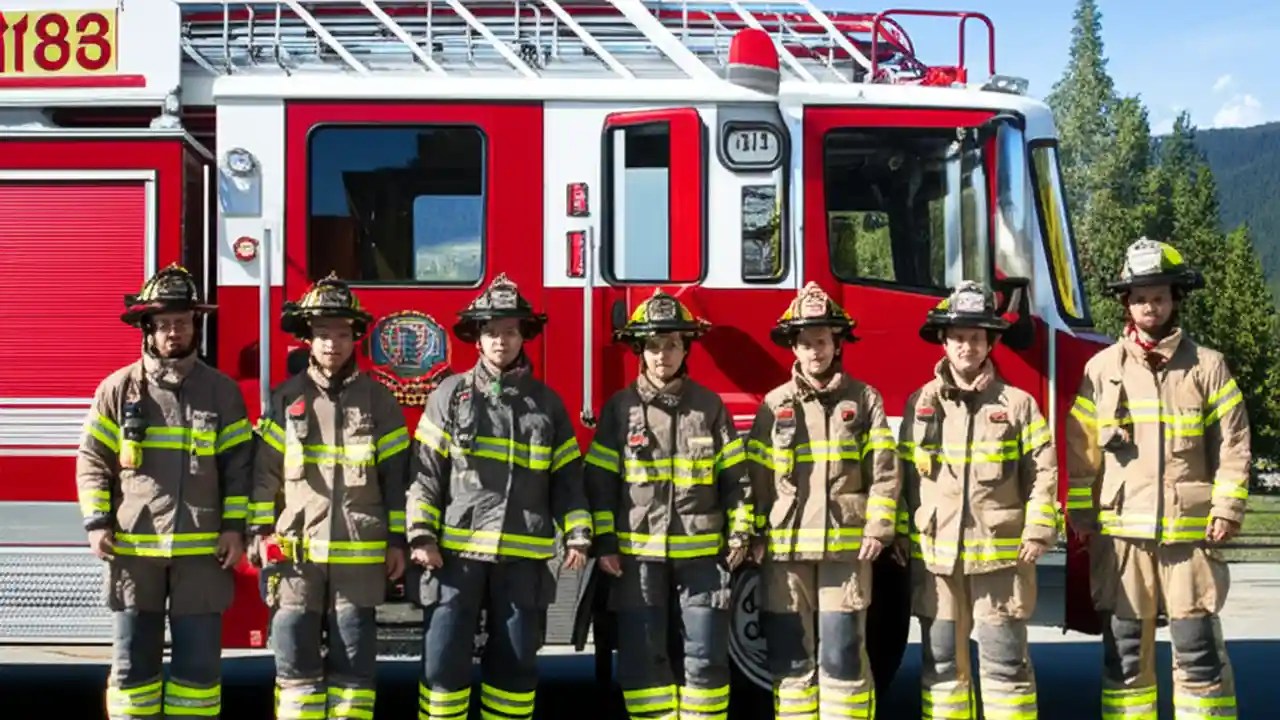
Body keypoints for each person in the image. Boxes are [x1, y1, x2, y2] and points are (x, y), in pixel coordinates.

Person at [1065, 238, 1250, 720]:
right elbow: (1082, 451)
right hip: (1123, 537)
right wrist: (1082, 513)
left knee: (1198, 653)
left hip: (1190, 539)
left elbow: (1234, 444)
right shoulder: (1101, 370)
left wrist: (1227, 508)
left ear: (1175, 299)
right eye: (1141, 297)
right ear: (1127, 302)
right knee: (1124, 655)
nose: (1151, 305)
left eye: (1160, 296)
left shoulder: (1208, 367)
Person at [408, 273, 592, 720]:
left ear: (523, 337)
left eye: (510, 331)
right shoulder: (449, 396)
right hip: (456, 555)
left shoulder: (546, 404)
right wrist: (421, 535)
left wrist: (579, 532)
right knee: (443, 663)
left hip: (522, 558)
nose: (501, 341)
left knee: (515, 667)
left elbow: (567, 477)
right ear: (477, 338)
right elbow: (426, 473)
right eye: (491, 331)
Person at [76, 263, 252, 719]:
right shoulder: (117, 390)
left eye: (184, 321)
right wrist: (97, 524)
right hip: (134, 550)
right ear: (147, 329)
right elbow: (93, 461)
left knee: (197, 672)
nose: (175, 332)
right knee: (133, 668)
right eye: (165, 324)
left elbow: (239, 468)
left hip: (202, 554)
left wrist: (235, 529)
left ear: (196, 325)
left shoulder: (222, 393)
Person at [585, 289, 753, 720]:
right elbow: (600, 483)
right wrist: (604, 542)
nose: (663, 355)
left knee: (706, 660)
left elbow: (736, 479)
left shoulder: (710, 407)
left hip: (702, 559)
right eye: (654, 346)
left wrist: (740, 531)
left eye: (673, 344)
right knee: (643, 663)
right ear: (640, 351)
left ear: (686, 349)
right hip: (638, 558)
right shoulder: (619, 410)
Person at [248, 274, 410, 720]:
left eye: (341, 335)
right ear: (308, 340)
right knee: (294, 657)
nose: (332, 345)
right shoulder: (286, 400)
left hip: (360, 554)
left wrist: (397, 540)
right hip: (295, 557)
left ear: (355, 338)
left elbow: (398, 479)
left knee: (355, 663)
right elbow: (265, 476)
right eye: (322, 336)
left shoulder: (380, 401)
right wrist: (259, 534)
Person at [897, 281, 1058, 720]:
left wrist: (1040, 529)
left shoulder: (1019, 405)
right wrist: (899, 532)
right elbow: (902, 476)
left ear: (990, 342)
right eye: (959, 337)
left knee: (1005, 665)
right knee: (943, 666)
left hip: (1000, 559)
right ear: (944, 341)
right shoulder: (921, 404)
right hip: (938, 561)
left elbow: (1044, 470)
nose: (967, 346)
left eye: (976, 337)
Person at [745, 281, 899, 720]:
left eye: (823, 341)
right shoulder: (774, 405)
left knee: (844, 658)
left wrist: (878, 529)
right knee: (791, 663)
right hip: (785, 550)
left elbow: (884, 472)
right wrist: (755, 533)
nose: (815, 351)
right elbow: (757, 476)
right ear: (793, 348)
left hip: (845, 550)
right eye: (807, 343)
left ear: (837, 344)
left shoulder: (865, 401)